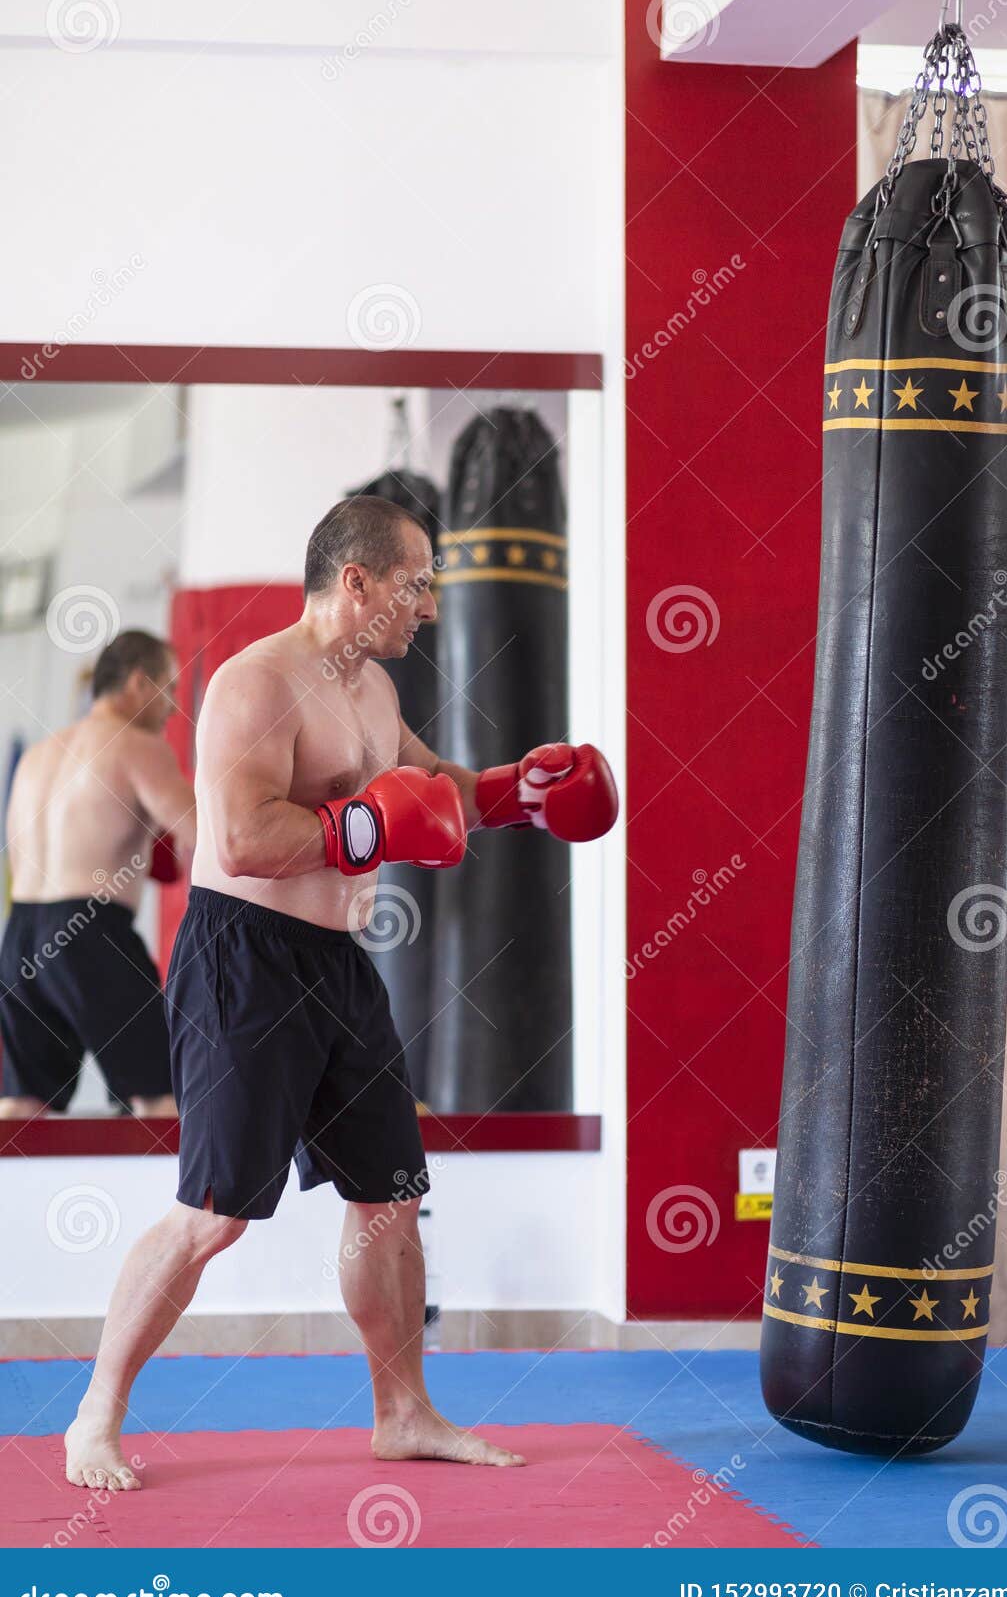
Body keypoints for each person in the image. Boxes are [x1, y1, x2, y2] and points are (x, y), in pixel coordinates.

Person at [63, 494, 617, 1490]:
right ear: (353, 580)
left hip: (337, 970)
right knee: (215, 1213)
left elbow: (432, 790)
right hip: (244, 961)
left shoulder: (369, 692)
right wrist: (365, 827)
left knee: (390, 1200)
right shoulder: (254, 684)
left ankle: (401, 1411)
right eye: (414, 584)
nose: (429, 607)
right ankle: (94, 1414)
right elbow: (237, 840)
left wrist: (517, 794)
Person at [0, 630, 195, 1119]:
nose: (172, 707)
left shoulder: (38, 756)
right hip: (89, 932)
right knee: (162, 1096)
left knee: (22, 1107)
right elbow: (212, 838)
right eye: (168, 689)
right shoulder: (139, 746)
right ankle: (178, 1200)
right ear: (137, 682)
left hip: (20, 934)